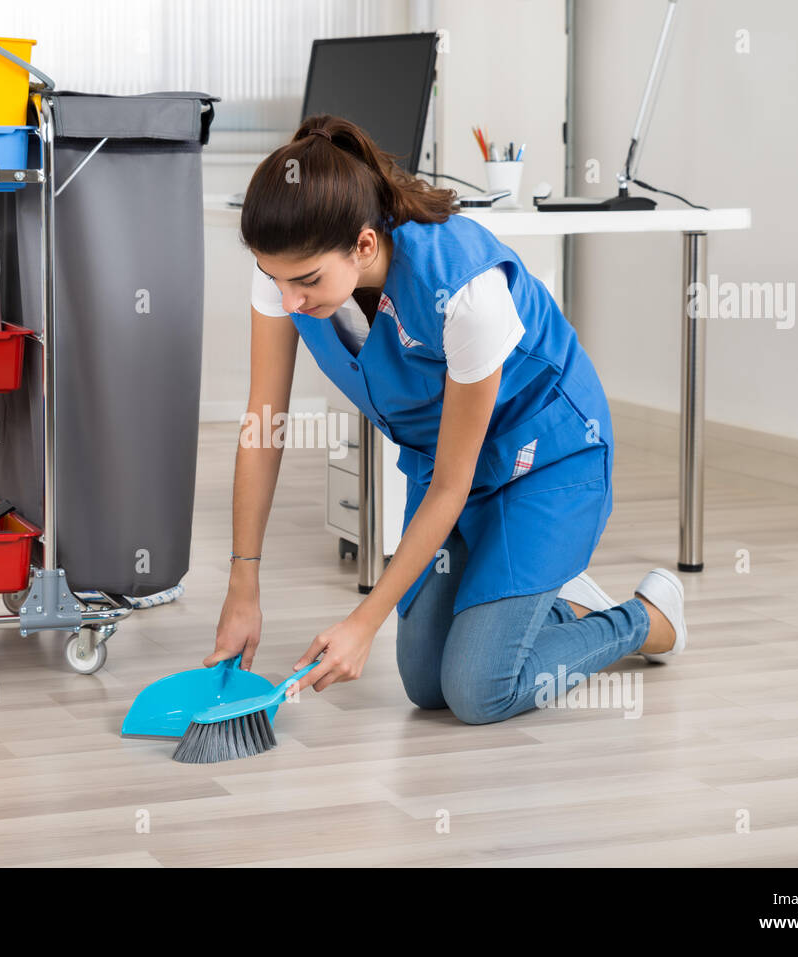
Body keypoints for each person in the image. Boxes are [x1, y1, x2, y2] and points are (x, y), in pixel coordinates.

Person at [204, 114, 688, 725]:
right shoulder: (285, 269)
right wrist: (241, 588)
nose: (289, 301)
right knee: (426, 683)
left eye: (305, 282)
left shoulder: (464, 290)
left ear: (364, 245)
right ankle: (544, 604)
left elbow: (453, 485)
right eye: (277, 281)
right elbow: (263, 423)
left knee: (478, 689)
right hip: (448, 466)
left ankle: (643, 619)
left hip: (545, 459)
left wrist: (364, 622)